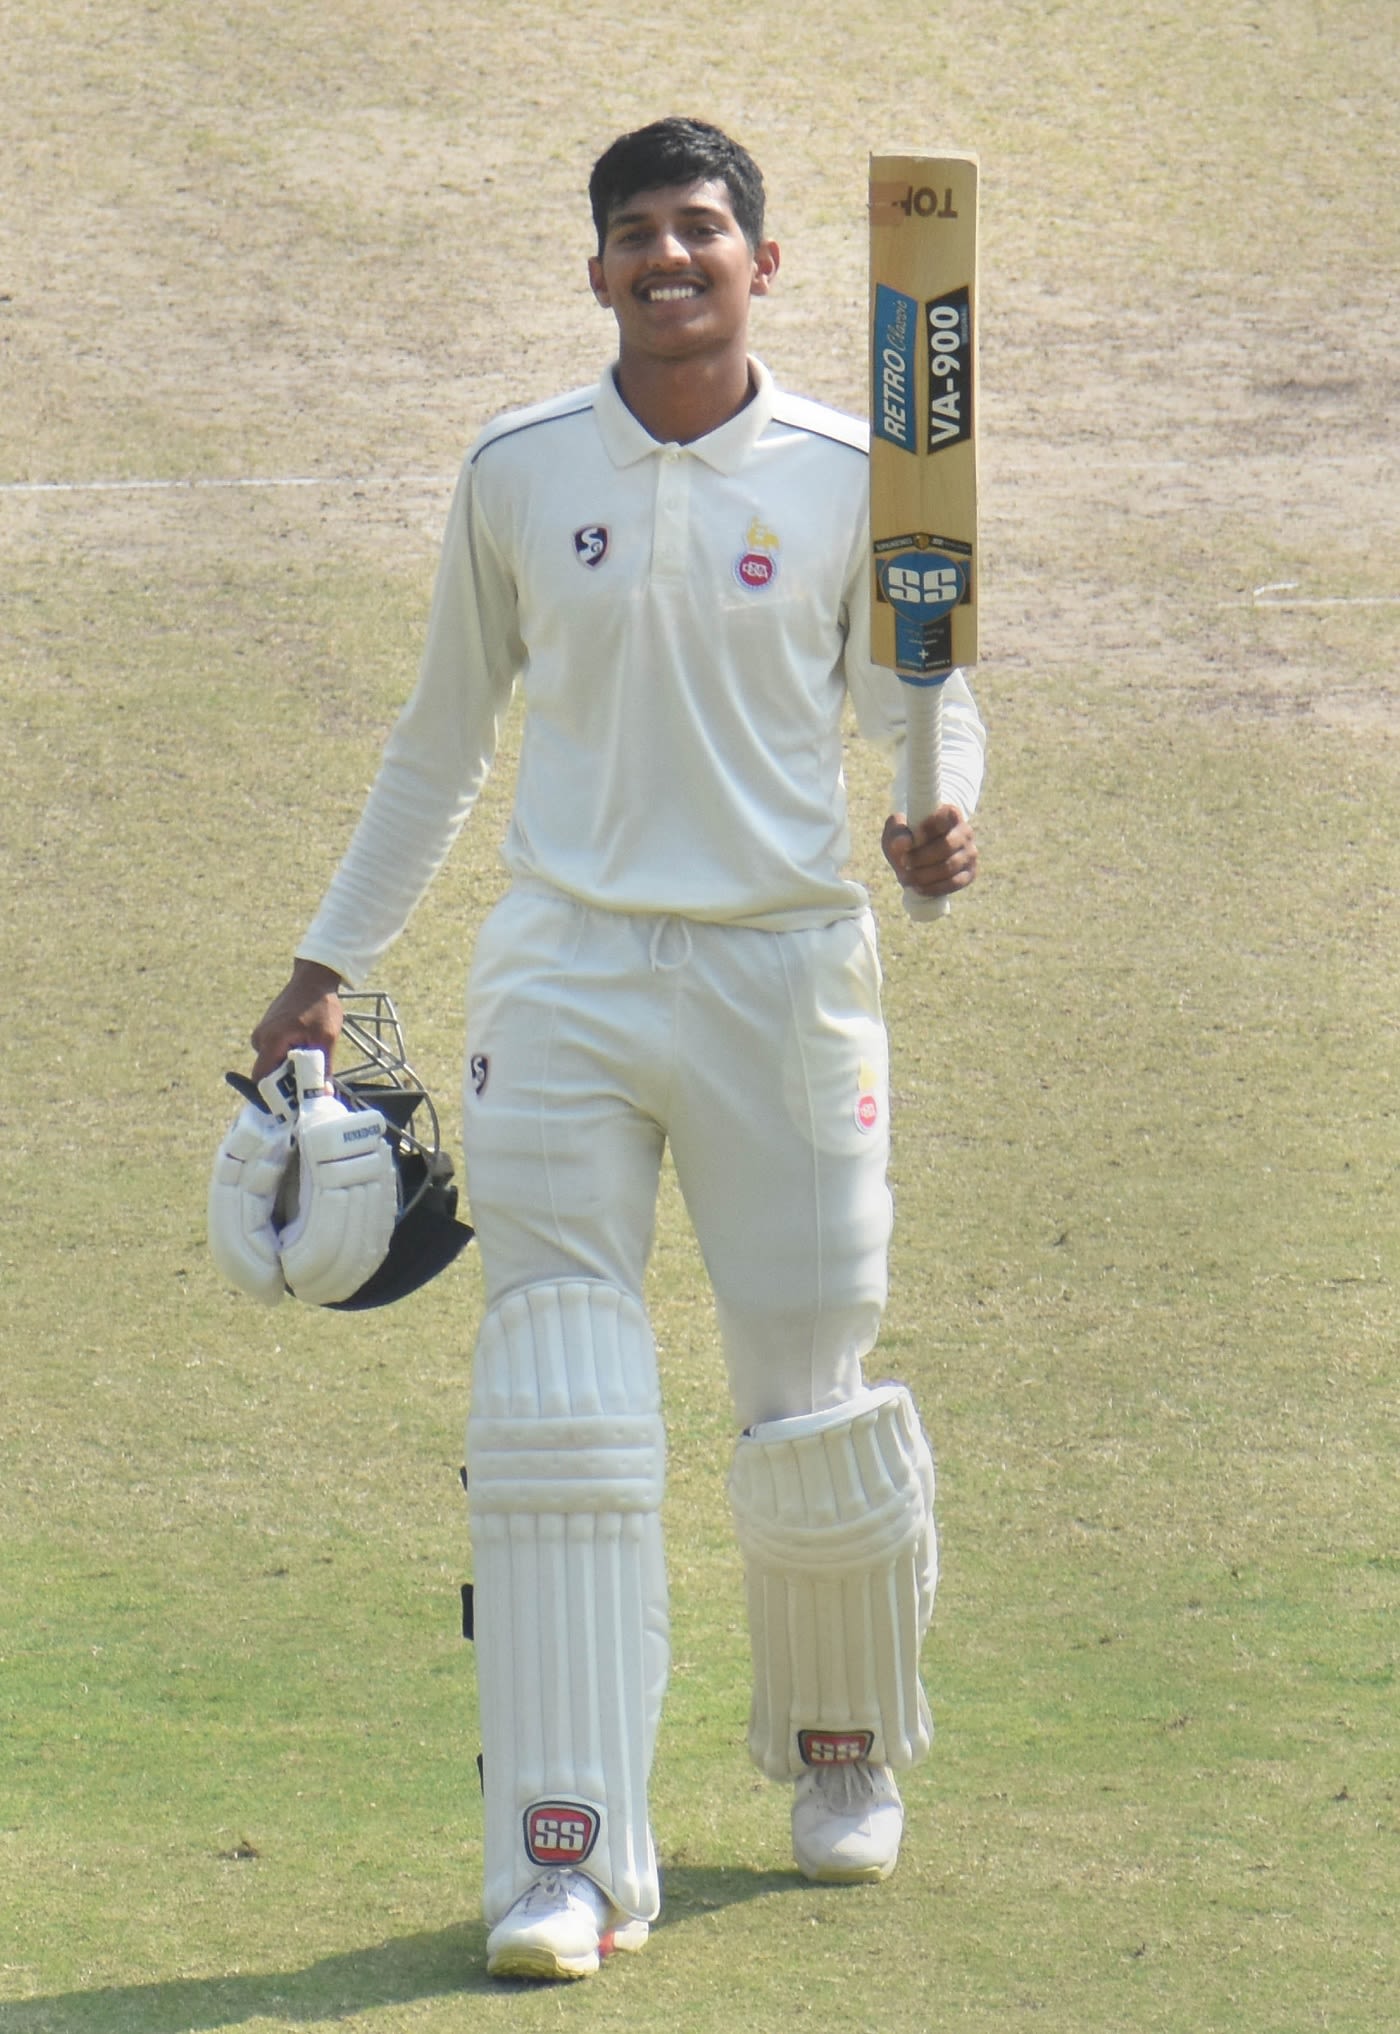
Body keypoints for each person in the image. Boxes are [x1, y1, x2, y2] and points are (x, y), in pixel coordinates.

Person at [249, 116, 985, 1983]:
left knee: (807, 1379)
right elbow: (439, 739)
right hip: (565, 972)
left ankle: (839, 1752)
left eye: (705, 231)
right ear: (595, 271)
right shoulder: (515, 470)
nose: (672, 258)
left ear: (766, 263)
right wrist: (329, 957)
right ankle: (563, 1856)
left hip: (783, 972)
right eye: (637, 235)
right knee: (556, 1400)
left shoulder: (859, 469)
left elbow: (928, 689)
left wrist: (935, 820)